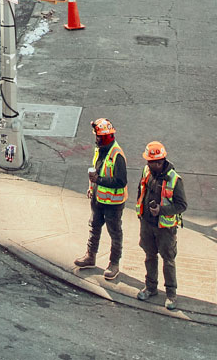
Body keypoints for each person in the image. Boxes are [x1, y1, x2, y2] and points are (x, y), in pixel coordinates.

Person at [75, 116, 130, 280]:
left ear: (106, 137)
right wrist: (92, 188)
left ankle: (114, 264)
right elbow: (98, 170)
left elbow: (121, 181)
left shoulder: (117, 155)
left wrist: (98, 181)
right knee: (94, 226)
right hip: (98, 198)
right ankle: (90, 256)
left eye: (98, 137)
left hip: (113, 203)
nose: (96, 139)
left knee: (115, 233)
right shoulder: (100, 149)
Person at [134, 140, 187, 308]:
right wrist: (142, 213)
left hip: (165, 228)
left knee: (168, 260)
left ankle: (171, 294)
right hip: (147, 223)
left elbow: (182, 205)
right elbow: (140, 191)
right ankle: (150, 288)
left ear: (161, 162)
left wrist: (161, 210)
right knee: (149, 256)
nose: (149, 165)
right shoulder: (147, 171)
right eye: (148, 161)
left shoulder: (174, 180)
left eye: (152, 162)